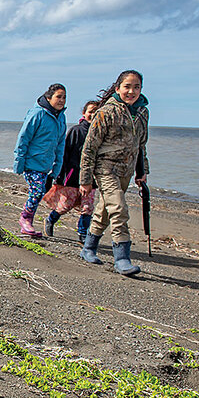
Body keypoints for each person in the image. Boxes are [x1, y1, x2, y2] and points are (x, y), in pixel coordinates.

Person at [78, 70, 149, 276]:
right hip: (106, 167)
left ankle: (88, 248)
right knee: (118, 208)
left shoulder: (143, 112)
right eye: (127, 86)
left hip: (126, 170)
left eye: (136, 87)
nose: (131, 91)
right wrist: (85, 179)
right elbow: (89, 147)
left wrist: (142, 171)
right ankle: (122, 258)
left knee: (104, 211)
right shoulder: (105, 112)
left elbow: (141, 145)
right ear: (117, 88)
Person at [42, 100, 101, 243]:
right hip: (73, 175)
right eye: (90, 111)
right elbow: (65, 153)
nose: (93, 115)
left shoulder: (100, 133)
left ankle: (82, 233)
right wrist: (60, 174)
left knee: (88, 207)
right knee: (65, 205)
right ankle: (50, 220)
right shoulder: (76, 130)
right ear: (84, 113)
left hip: (91, 177)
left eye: (96, 112)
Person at [13, 83, 67, 237]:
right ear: (49, 97)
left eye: (64, 97)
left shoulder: (61, 117)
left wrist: (57, 168)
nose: (61, 100)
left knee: (40, 192)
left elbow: (60, 144)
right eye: (58, 97)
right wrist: (19, 163)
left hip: (46, 165)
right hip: (31, 162)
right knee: (36, 192)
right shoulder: (37, 114)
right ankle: (25, 219)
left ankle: (27, 220)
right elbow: (23, 138)